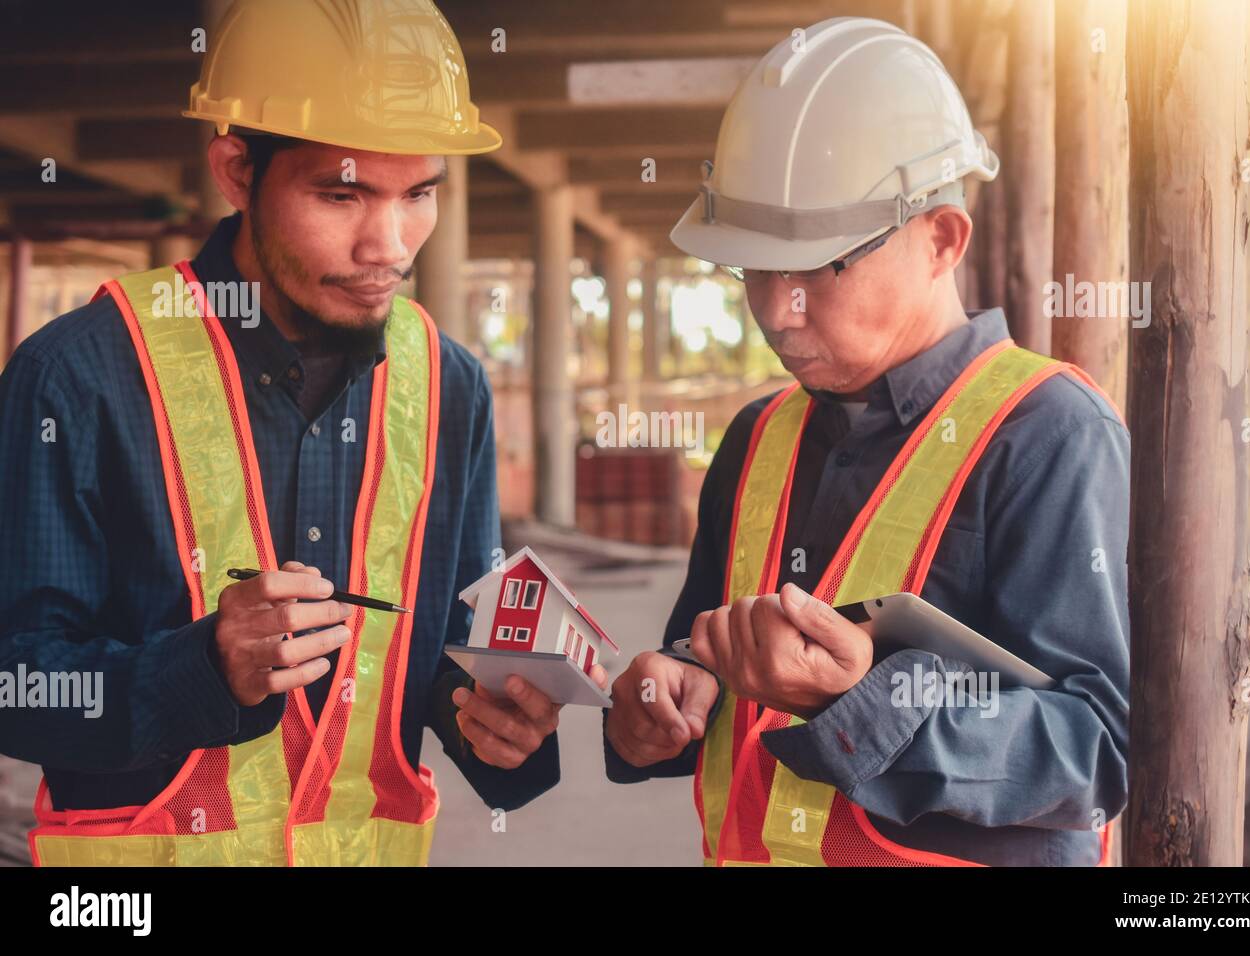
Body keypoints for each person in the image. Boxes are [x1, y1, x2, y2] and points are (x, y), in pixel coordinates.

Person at [0, 0, 601, 867]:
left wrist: (497, 721)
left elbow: (445, 658)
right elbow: (21, 684)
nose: (388, 247)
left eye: (420, 195)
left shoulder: (449, 385)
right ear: (237, 171)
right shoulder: (80, 377)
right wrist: (201, 668)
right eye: (342, 194)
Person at [603, 17, 1129, 867]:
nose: (778, 309)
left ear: (942, 240)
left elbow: (1097, 749)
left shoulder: (1049, 434)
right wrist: (660, 702)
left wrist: (862, 701)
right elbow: (693, 659)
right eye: (755, 268)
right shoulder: (755, 440)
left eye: (820, 265)